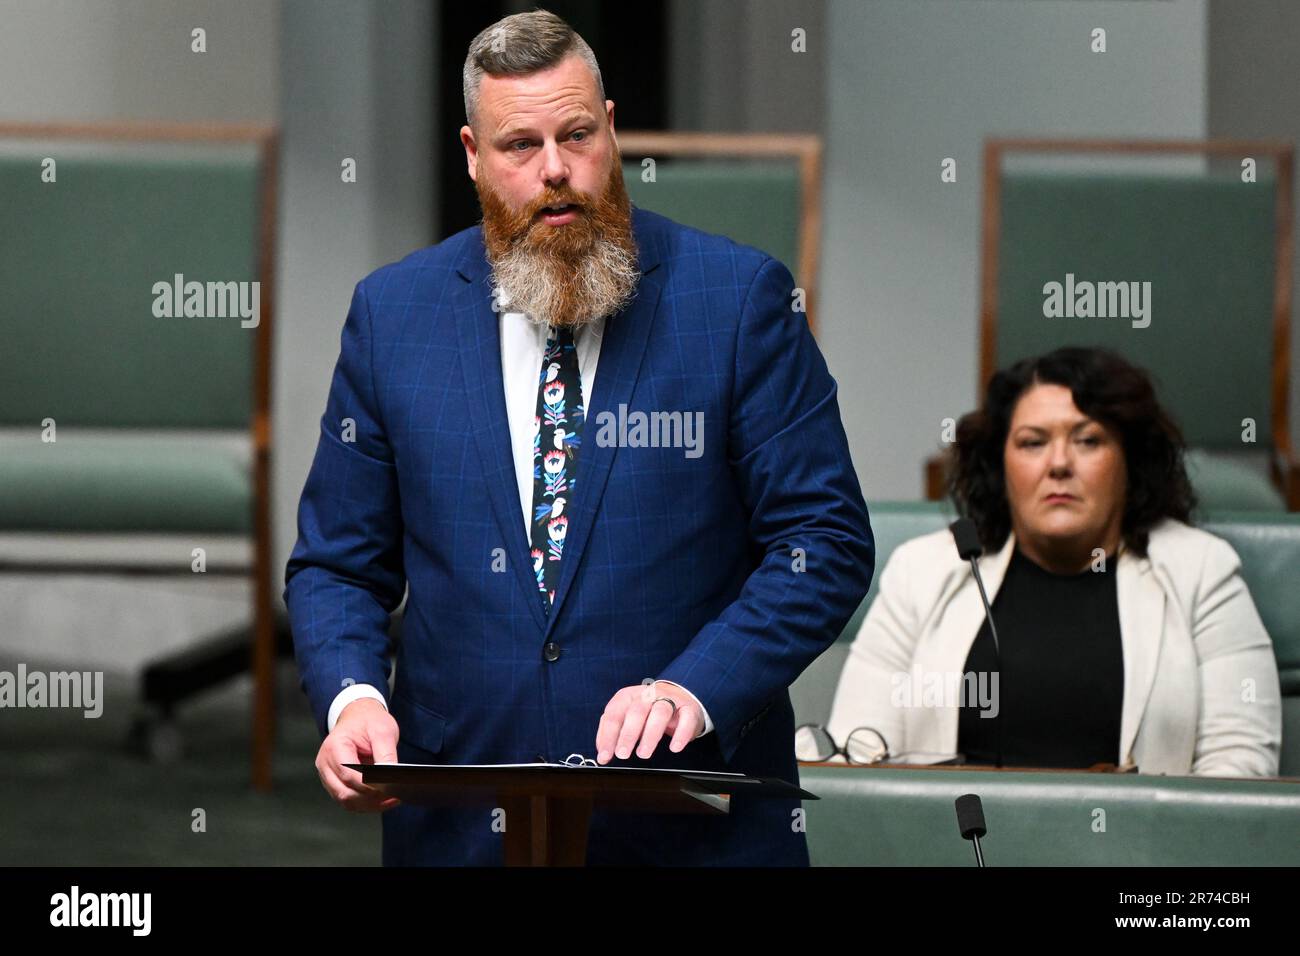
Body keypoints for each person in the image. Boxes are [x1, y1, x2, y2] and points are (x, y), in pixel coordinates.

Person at [284, 9, 874, 865]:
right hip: (464, 815)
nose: (556, 170)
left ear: (611, 131)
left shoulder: (736, 301)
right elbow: (338, 564)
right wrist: (354, 701)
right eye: (521, 145)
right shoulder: (393, 315)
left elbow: (822, 542)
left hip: (689, 813)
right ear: (473, 156)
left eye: (577, 135)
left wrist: (694, 690)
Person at [826, 346, 1280, 776]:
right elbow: (856, 752)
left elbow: (1238, 770)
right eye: (1032, 442)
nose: (1059, 464)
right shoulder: (921, 571)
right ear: (1000, 465)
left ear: (1130, 462)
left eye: (1087, 440)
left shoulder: (1202, 571)